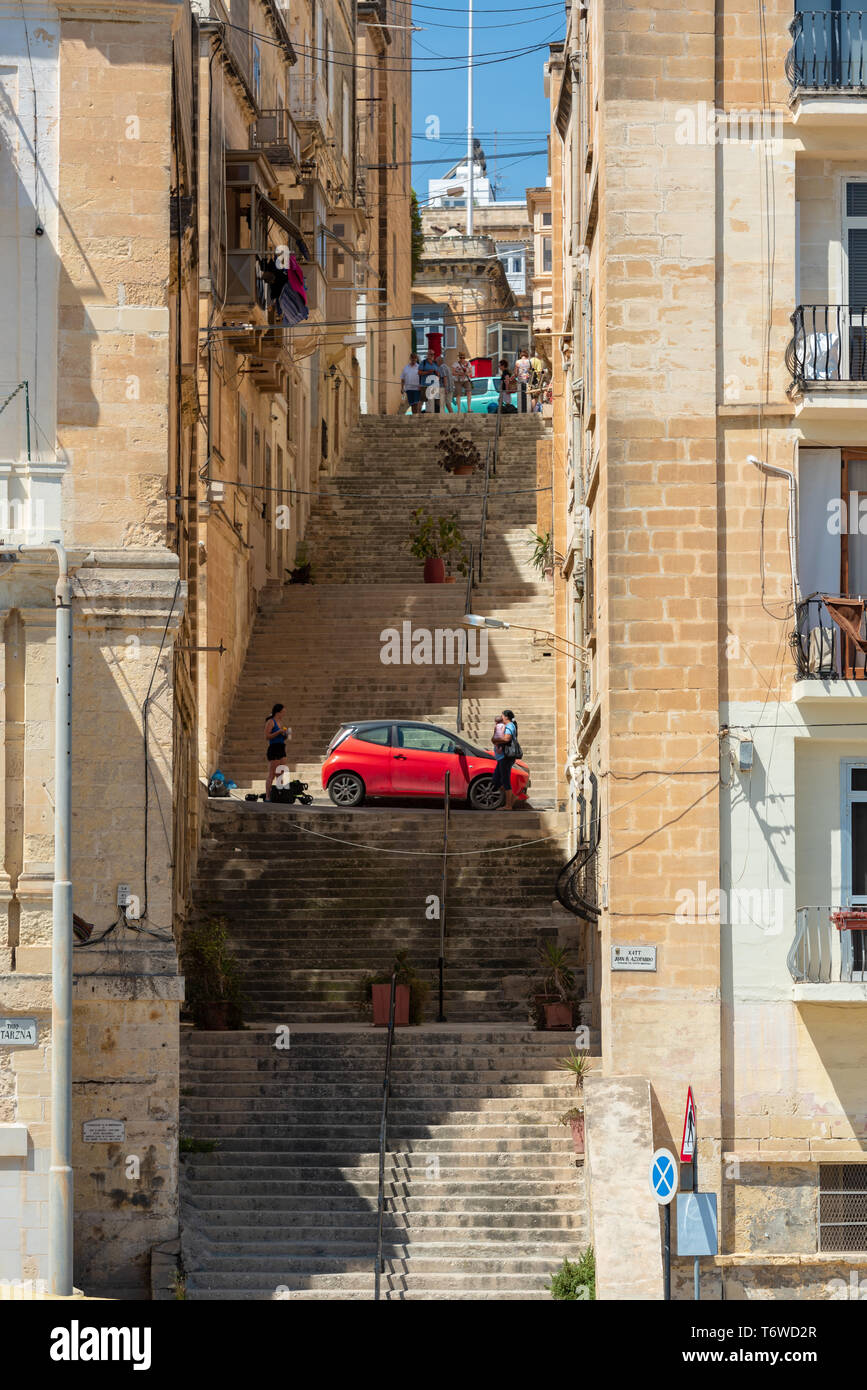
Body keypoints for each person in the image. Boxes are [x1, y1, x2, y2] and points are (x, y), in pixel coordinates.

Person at [492, 707, 519, 810]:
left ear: (506, 717)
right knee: (496, 780)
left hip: (506, 757)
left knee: (505, 780)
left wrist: (495, 740)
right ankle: (512, 798)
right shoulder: (506, 725)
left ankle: (508, 805)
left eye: (502, 715)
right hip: (501, 758)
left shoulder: (510, 726)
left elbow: (507, 738)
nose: (501, 717)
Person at [264, 702, 290, 798]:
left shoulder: (280, 722)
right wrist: (278, 731)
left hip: (281, 747)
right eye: (283, 712)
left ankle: (279, 795)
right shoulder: (271, 722)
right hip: (274, 748)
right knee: (272, 773)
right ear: (277, 712)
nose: (284, 714)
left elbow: (281, 737)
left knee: (281, 772)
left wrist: (285, 735)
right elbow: (267, 736)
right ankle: (267, 796)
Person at [514, 348, 532, 413]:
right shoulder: (529, 361)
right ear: (526, 355)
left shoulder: (517, 362)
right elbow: (530, 371)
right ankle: (528, 411)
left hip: (520, 381)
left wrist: (516, 375)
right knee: (527, 396)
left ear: (521, 355)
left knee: (520, 397)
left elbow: (516, 373)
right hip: (527, 381)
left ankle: (520, 411)